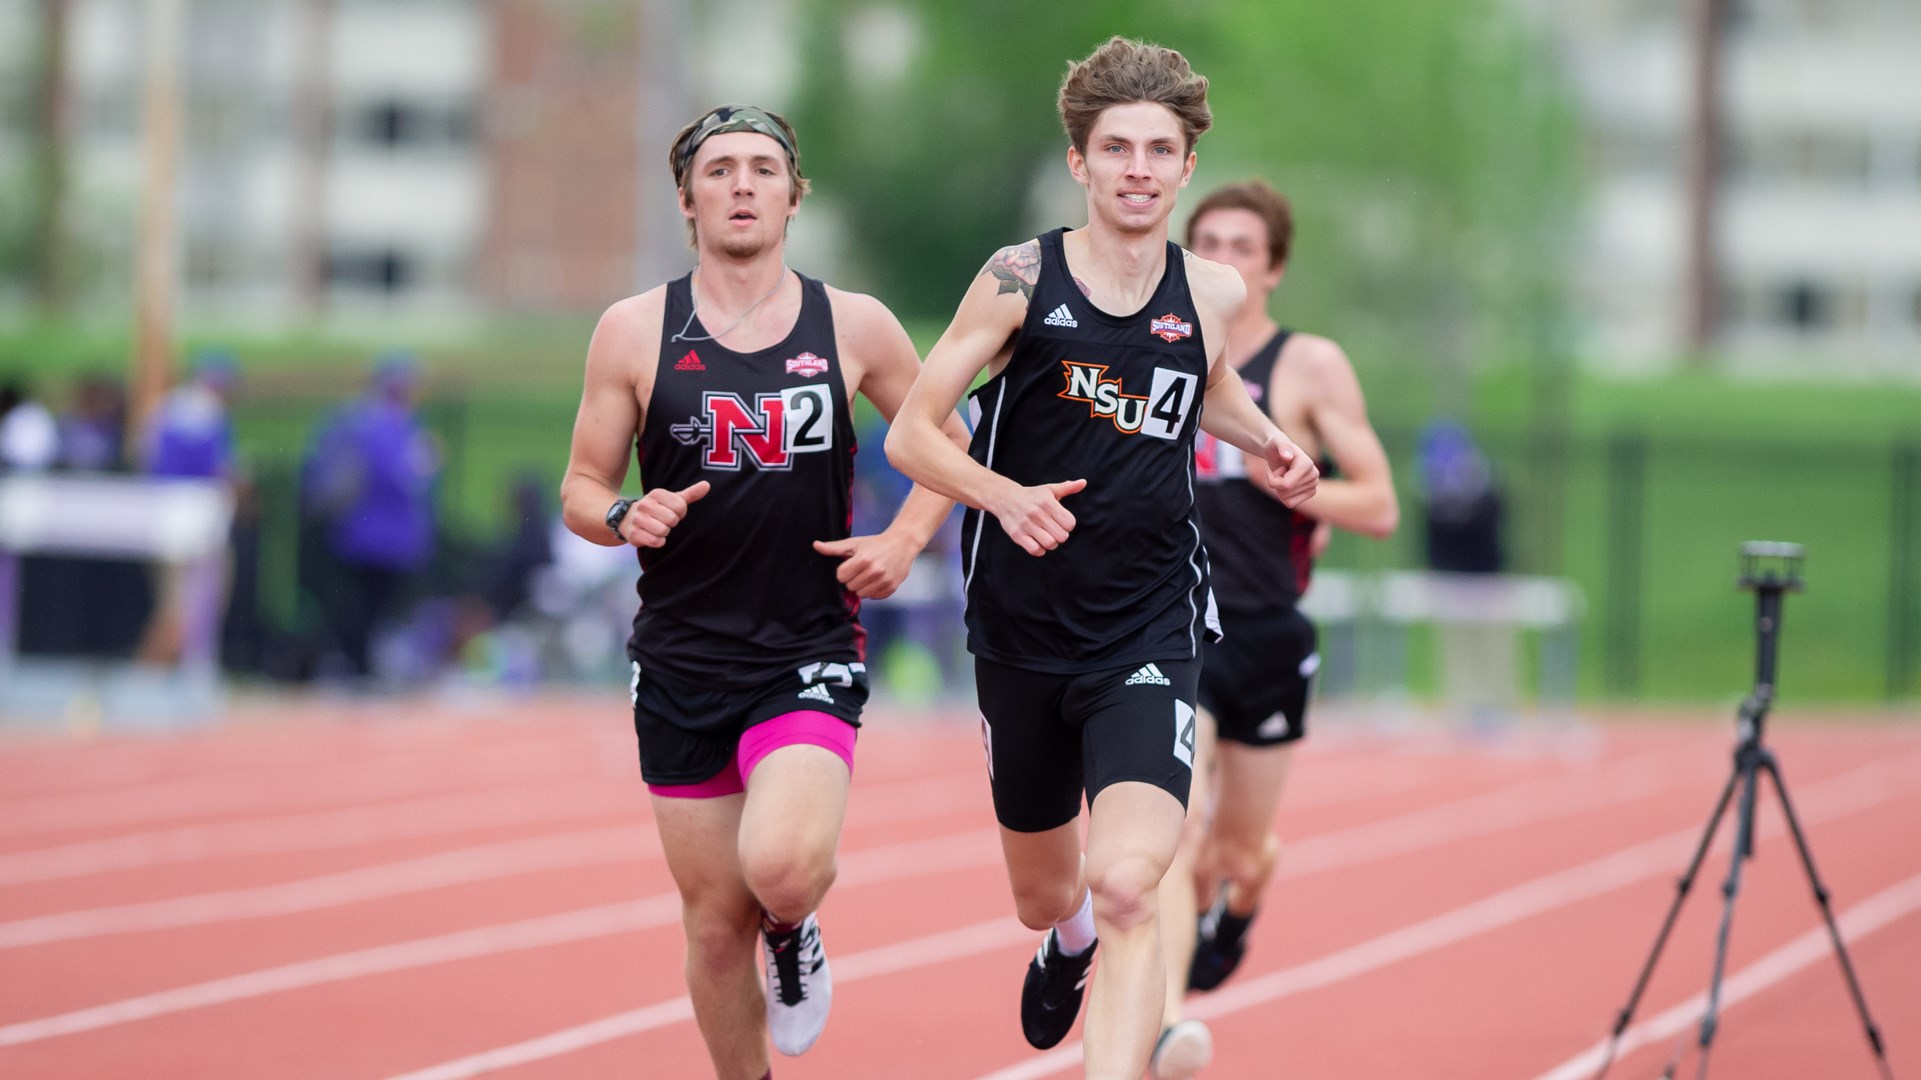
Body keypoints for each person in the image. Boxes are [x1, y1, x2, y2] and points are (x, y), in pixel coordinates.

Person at [884, 39, 1318, 1080]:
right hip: (1022, 630)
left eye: (1156, 150)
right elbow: (910, 433)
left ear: (1183, 168)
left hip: (1149, 622)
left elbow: (1204, 383)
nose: (1136, 168)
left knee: (1129, 882)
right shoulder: (1018, 279)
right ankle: (1062, 940)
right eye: (1114, 148)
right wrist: (1002, 495)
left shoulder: (1207, 289)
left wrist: (1268, 444)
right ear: (1079, 164)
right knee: (1051, 891)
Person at [558, 103, 968, 1080]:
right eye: (719, 170)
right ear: (687, 200)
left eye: (762, 169)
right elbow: (580, 487)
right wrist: (624, 516)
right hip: (680, 654)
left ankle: (794, 924)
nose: (741, 184)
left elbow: (945, 442)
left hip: (807, 645)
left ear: (794, 195)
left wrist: (906, 539)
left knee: (779, 868)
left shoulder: (854, 326)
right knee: (709, 925)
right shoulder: (632, 331)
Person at [1154, 180, 1400, 1076]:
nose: (1223, 255)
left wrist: (1297, 486)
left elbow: (1378, 504)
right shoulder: (1157, 346)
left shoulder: (1308, 366)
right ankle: (1165, 1022)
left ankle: (1248, 893)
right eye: (1207, 239)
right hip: (1170, 628)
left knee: (1234, 850)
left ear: (1274, 266)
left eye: (1243, 244)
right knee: (1169, 838)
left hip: (1263, 631)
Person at [302, 351, 441, 680]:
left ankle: (359, 663)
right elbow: (396, 476)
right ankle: (357, 664)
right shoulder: (380, 423)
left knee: (370, 605)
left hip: (369, 532)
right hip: (375, 534)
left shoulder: (368, 419)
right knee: (369, 605)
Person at [136, 351, 242, 666]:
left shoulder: (166, 409)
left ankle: (164, 669)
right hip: (196, 523)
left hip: (160, 517)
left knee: (173, 602)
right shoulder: (212, 416)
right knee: (192, 605)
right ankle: (150, 669)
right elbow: (222, 473)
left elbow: (147, 460)